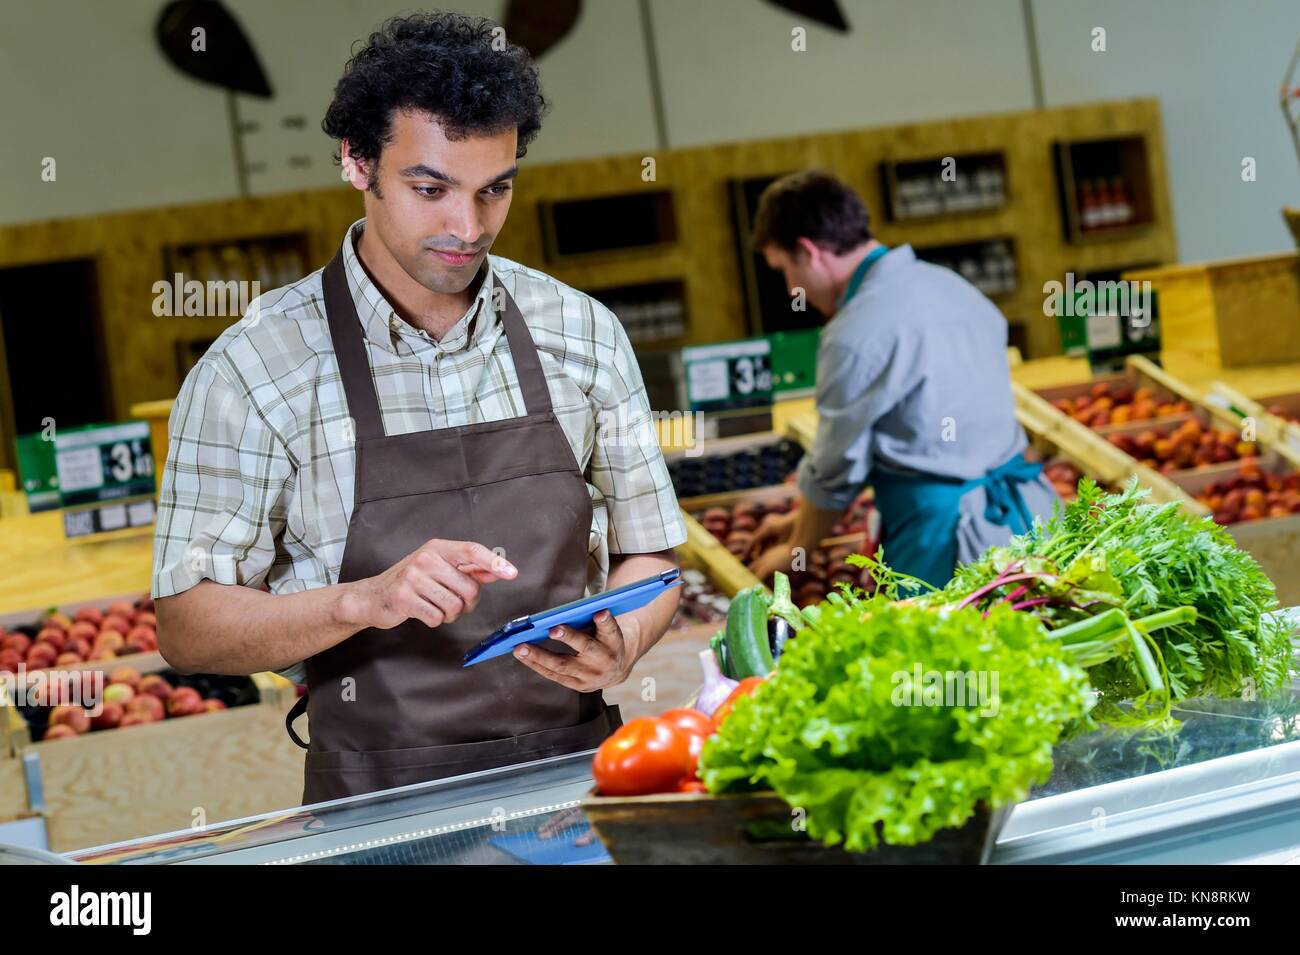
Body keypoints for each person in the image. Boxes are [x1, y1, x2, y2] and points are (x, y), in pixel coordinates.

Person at [152, 12, 686, 804]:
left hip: (579, 779)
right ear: (356, 162)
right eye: (429, 189)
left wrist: (626, 643)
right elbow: (187, 623)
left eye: (494, 189)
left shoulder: (583, 333)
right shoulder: (252, 369)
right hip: (376, 802)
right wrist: (362, 600)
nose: (466, 228)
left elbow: (656, 555)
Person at [746, 170, 1058, 590]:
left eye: (784, 270)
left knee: (946, 656)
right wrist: (795, 520)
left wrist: (797, 549)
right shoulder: (953, 287)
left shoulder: (853, 333)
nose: (791, 289)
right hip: (1034, 524)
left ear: (809, 252)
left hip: (947, 546)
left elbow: (837, 471)